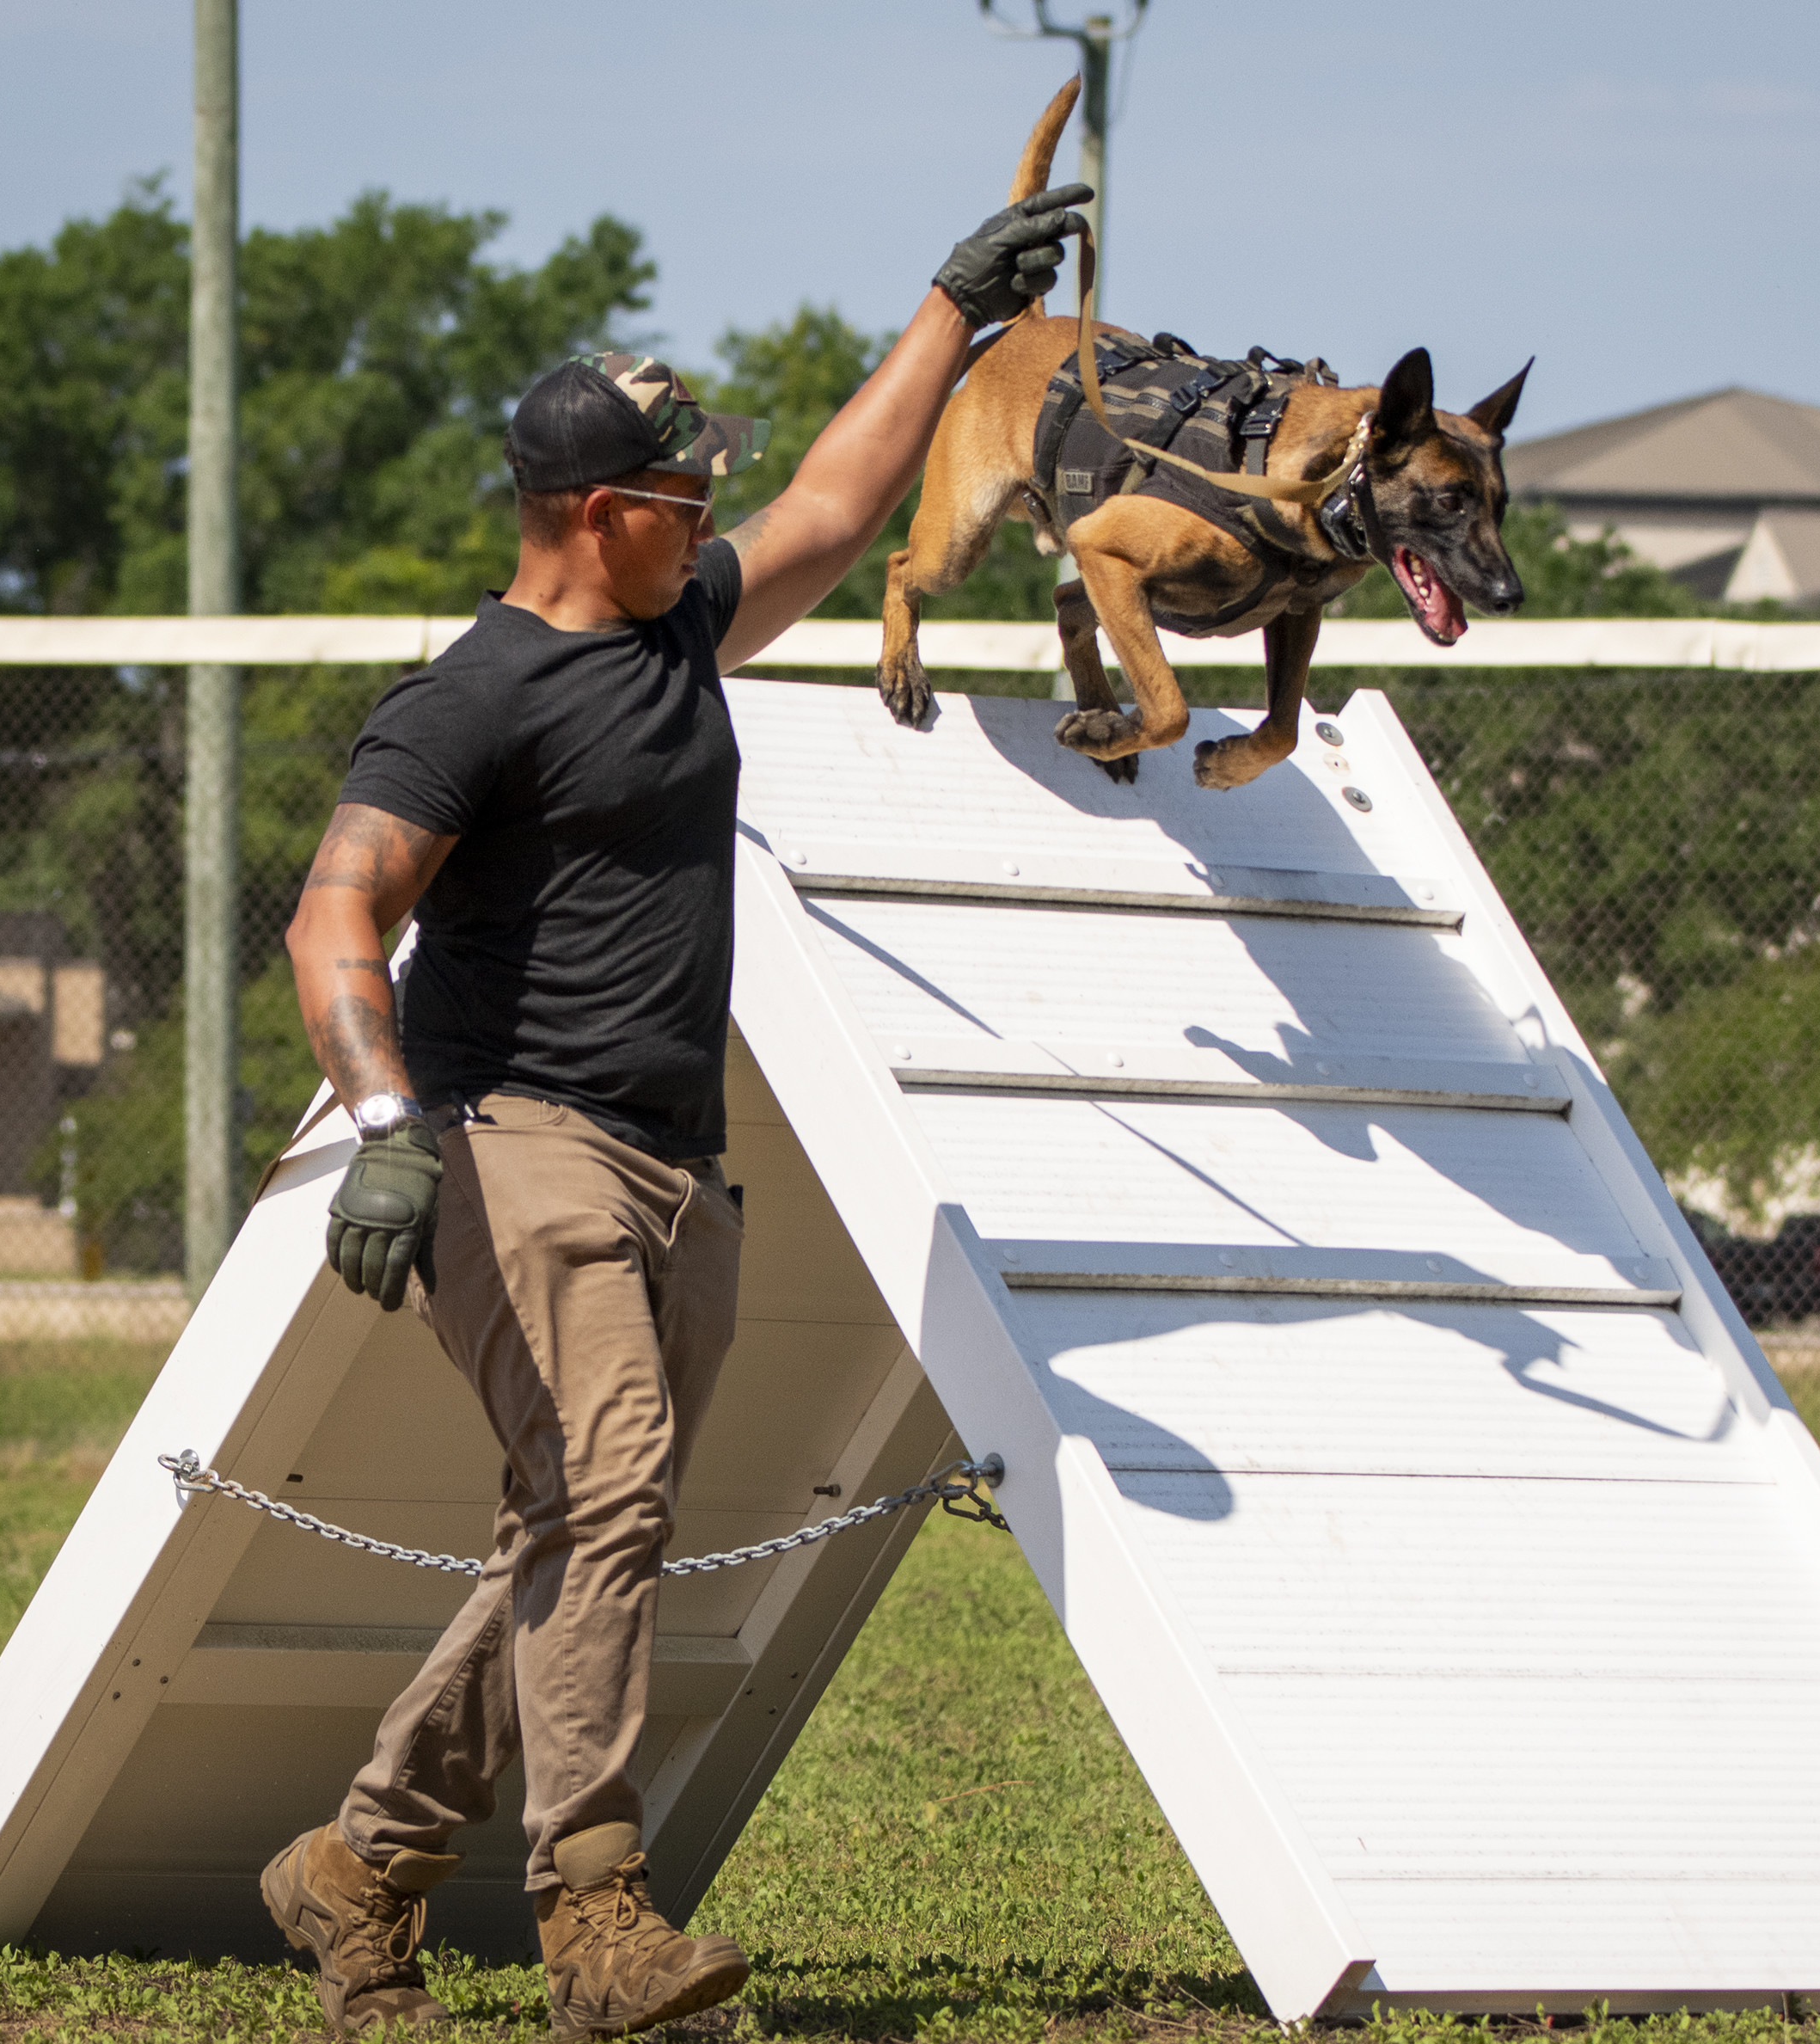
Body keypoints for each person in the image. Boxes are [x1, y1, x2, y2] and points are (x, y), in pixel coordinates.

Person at [260, 180, 1092, 2040]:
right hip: (509, 1137)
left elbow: (839, 505)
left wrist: (951, 307)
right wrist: (387, 1119)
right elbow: (334, 915)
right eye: (676, 492)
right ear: (585, 514)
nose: (712, 513)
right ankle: (598, 1914)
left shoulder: (674, 628)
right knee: (611, 1485)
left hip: (673, 1165)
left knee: (572, 1529)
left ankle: (360, 1864)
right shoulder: (462, 703)